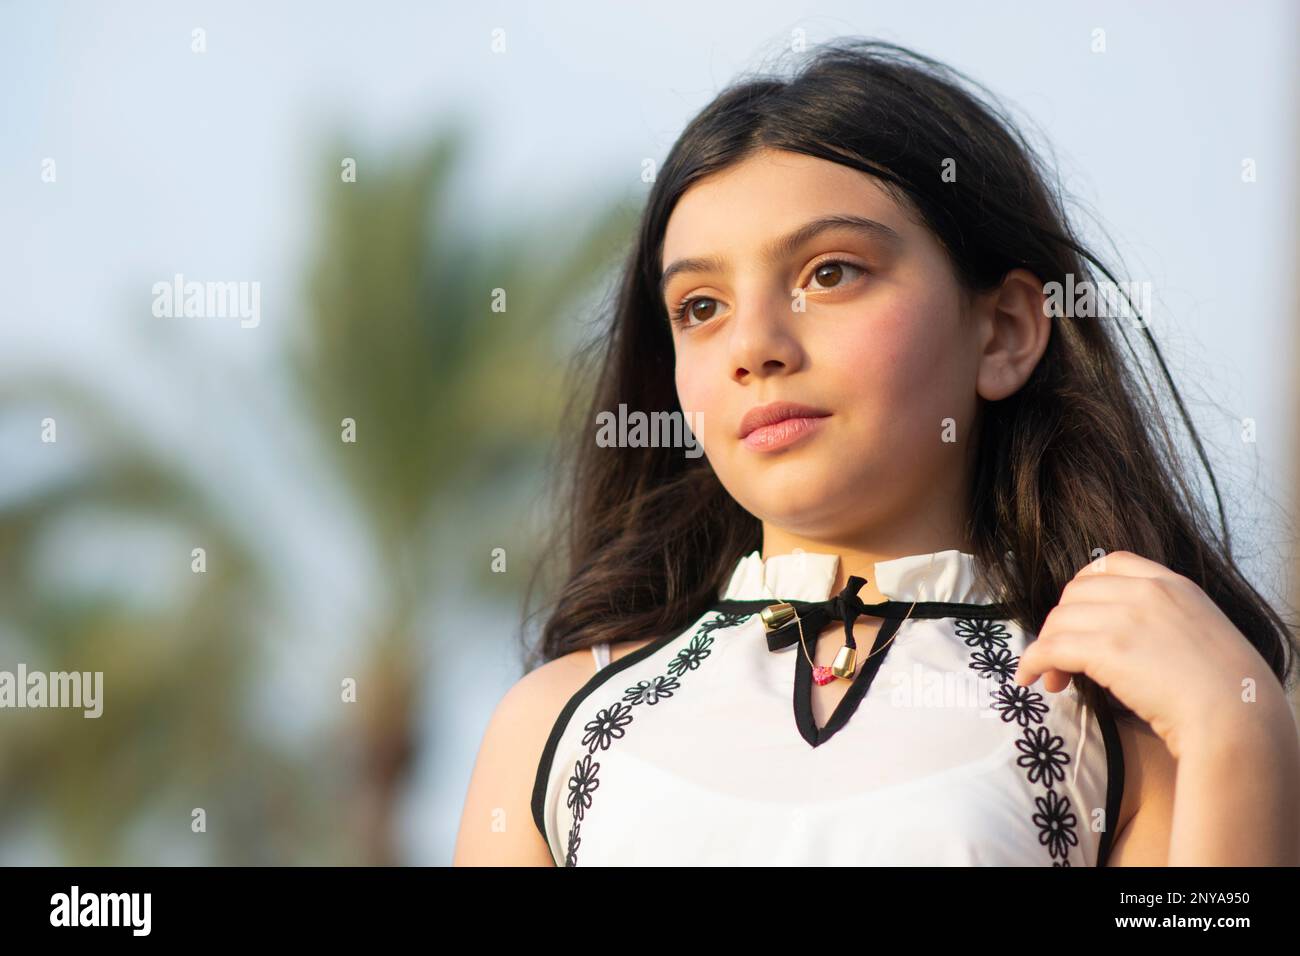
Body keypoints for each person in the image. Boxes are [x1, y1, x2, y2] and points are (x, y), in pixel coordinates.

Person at [453, 38, 1299, 866]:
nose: (754, 345)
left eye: (830, 273)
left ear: (1003, 331)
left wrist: (1240, 732)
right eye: (701, 306)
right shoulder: (556, 729)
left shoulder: (1127, 726)